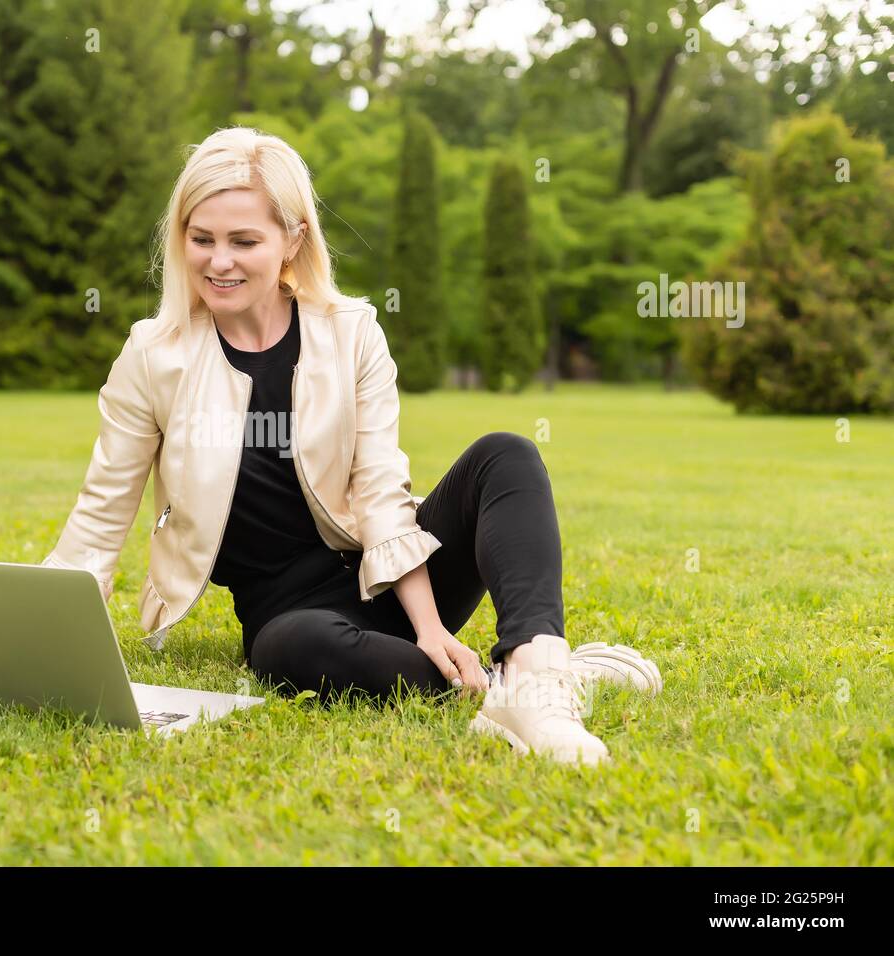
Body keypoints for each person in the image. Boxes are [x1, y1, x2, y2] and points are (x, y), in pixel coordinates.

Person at [42, 127, 662, 765]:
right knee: (297, 653)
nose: (217, 262)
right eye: (201, 239)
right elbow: (101, 512)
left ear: (293, 239)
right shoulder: (153, 355)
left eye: (243, 241)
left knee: (506, 454)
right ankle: (544, 681)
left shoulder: (351, 333)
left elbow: (379, 492)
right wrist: (36, 639)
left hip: (392, 575)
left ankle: (537, 672)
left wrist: (427, 626)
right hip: (291, 618)